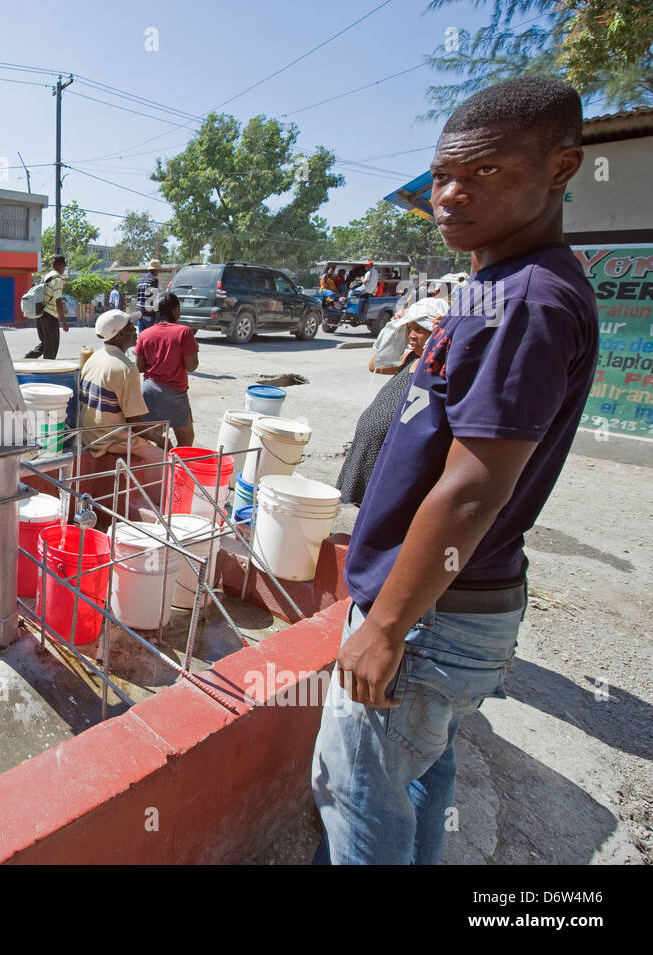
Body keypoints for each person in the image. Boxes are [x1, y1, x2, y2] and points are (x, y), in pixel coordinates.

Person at [310, 76, 595, 865]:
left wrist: (387, 626)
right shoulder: (492, 284)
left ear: (561, 168)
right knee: (419, 779)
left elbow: (473, 486)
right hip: (443, 605)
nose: (450, 194)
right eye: (441, 175)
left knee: (358, 799)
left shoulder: (530, 299)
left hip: (431, 615)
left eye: (485, 172)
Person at [336, 300, 446, 506]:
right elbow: (375, 365)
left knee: (379, 507)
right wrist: (394, 327)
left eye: (421, 330)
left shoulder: (437, 364)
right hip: (368, 450)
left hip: (389, 454)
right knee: (364, 505)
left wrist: (444, 338)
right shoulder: (411, 358)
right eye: (411, 329)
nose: (412, 335)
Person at [78, 309, 168, 513]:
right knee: (162, 458)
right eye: (130, 328)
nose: (135, 331)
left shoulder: (94, 357)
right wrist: (161, 440)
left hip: (89, 433)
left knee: (154, 431)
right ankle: (158, 507)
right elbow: (134, 422)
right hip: (109, 439)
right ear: (119, 335)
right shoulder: (126, 368)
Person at [135, 291, 199, 447]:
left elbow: (139, 367)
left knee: (153, 441)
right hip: (174, 394)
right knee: (186, 442)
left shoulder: (145, 334)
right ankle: (173, 470)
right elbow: (192, 366)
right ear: (176, 310)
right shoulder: (184, 332)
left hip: (148, 392)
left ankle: (156, 470)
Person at [24, 254, 68, 360]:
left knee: (45, 345)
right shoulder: (57, 279)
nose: (64, 269)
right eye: (64, 267)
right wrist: (64, 322)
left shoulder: (47, 276)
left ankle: (26, 360)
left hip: (40, 314)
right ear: (61, 265)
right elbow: (58, 301)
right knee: (52, 348)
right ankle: (48, 371)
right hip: (50, 317)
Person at [136, 259, 162, 332]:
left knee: (142, 336)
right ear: (155, 270)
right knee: (151, 336)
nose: (158, 272)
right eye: (158, 270)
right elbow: (154, 298)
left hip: (140, 312)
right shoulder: (153, 280)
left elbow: (139, 297)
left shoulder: (141, 280)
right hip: (149, 313)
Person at [354, 259, 379, 323]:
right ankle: (362, 313)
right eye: (366, 266)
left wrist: (362, 278)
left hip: (366, 289)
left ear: (371, 265)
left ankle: (350, 309)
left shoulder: (369, 272)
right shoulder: (376, 272)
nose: (366, 267)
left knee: (351, 292)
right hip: (371, 290)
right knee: (364, 300)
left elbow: (364, 283)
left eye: (367, 266)